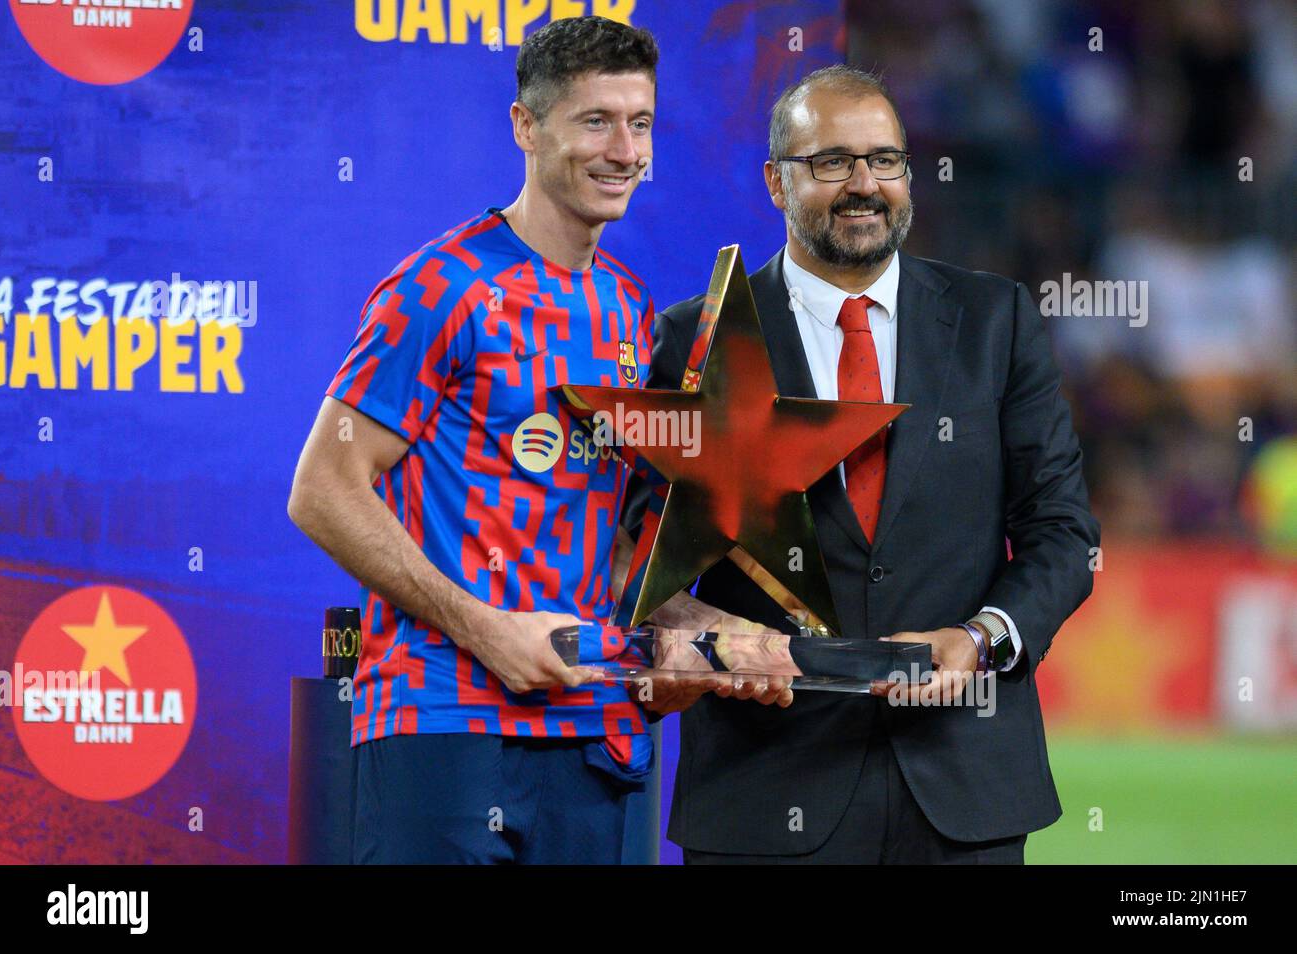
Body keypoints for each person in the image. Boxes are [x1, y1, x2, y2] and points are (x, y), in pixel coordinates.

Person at [639, 65, 1101, 864]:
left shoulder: (997, 322)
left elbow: (1063, 534)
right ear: (776, 184)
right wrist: (696, 642)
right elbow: (640, 553)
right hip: (763, 790)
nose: (864, 184)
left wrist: (980, 638)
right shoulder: (693, 340)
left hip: (965, 792)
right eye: (832, 162)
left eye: (885, 160)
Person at [288, 16, 668, 864]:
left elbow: (621, 536)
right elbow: (322, 489)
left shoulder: (633, 311)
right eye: (595, 121)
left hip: (592, 725)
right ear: (526, 128)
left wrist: (686, 637)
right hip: (447, 719)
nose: (624, 150)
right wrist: (485, 627)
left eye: (640, 123)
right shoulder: (443, 285)